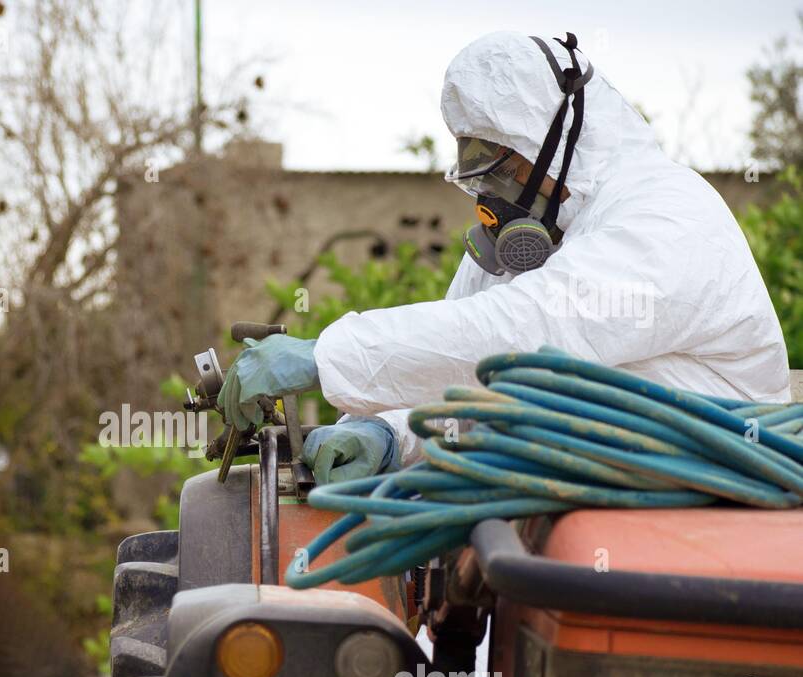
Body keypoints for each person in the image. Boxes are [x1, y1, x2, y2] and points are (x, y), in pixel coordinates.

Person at [218, 31, 792, 485]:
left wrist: (327, 353)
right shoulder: (530, 241)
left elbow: (528, 333)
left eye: (500, 162)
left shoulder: (667, 211)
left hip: (710, 514)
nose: (494, 187)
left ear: (557, 136)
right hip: (563, 517)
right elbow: (459, 385)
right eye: (478, 167)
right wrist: (388, 434)